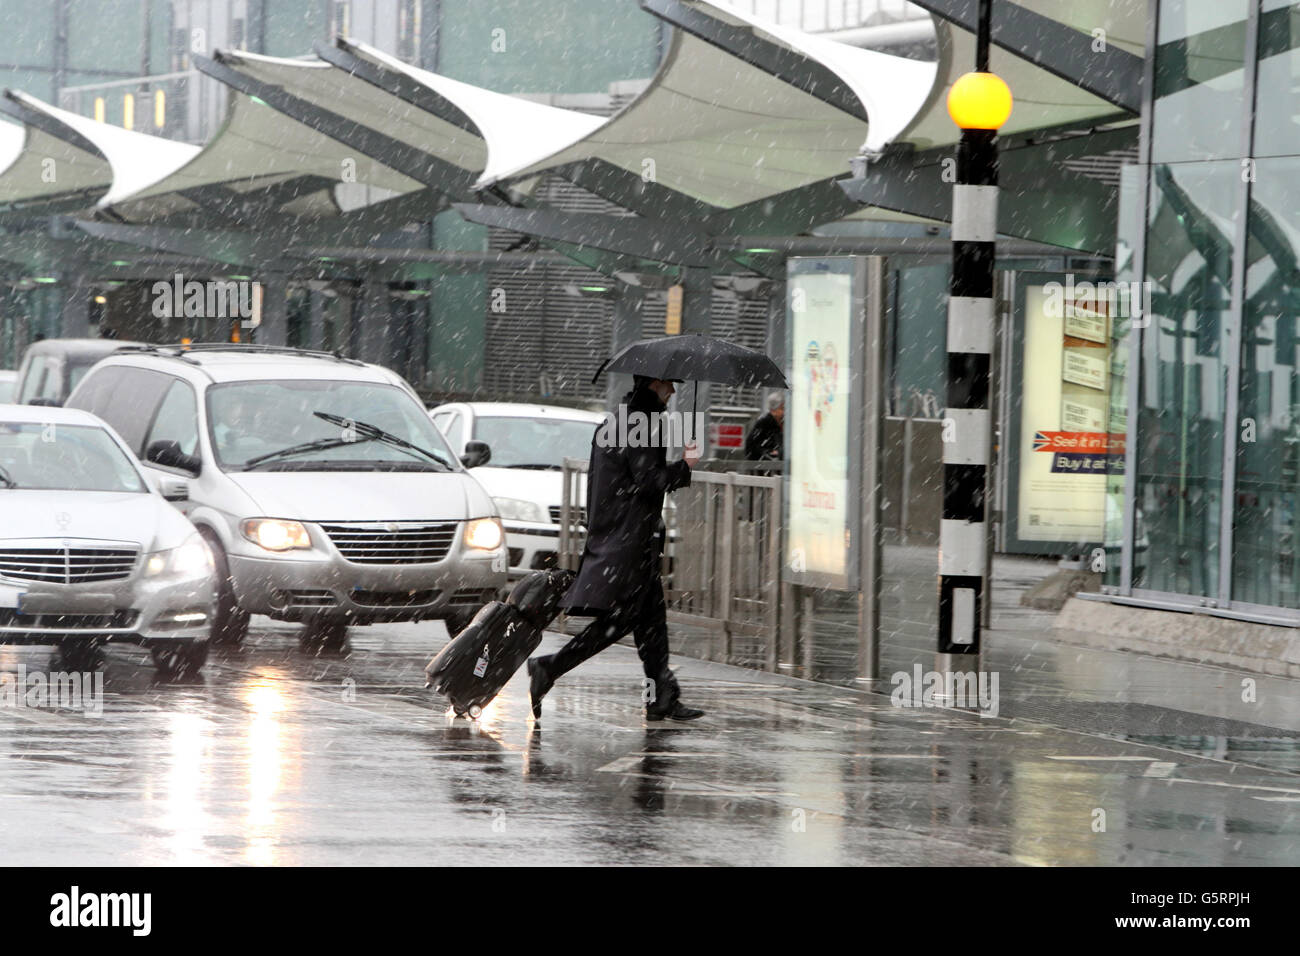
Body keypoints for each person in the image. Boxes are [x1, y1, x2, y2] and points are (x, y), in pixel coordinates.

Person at [527, 375, 705, 721]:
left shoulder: (619, 421)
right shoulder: (641, 424)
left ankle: (661, 698)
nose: (673, 391)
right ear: (654, 383)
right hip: (630, 543)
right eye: (669, 384)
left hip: (621, 538)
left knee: (652, 624)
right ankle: (548, 667)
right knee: (623, 621)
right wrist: (686, 465)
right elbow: (648, 480)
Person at [744, 394, 785, 461]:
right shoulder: (765, 422)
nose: (784, 412)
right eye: (782, 408)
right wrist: (769, 452)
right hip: (764, 465)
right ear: (773, 410)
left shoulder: (782, 422)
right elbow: (752, 446)